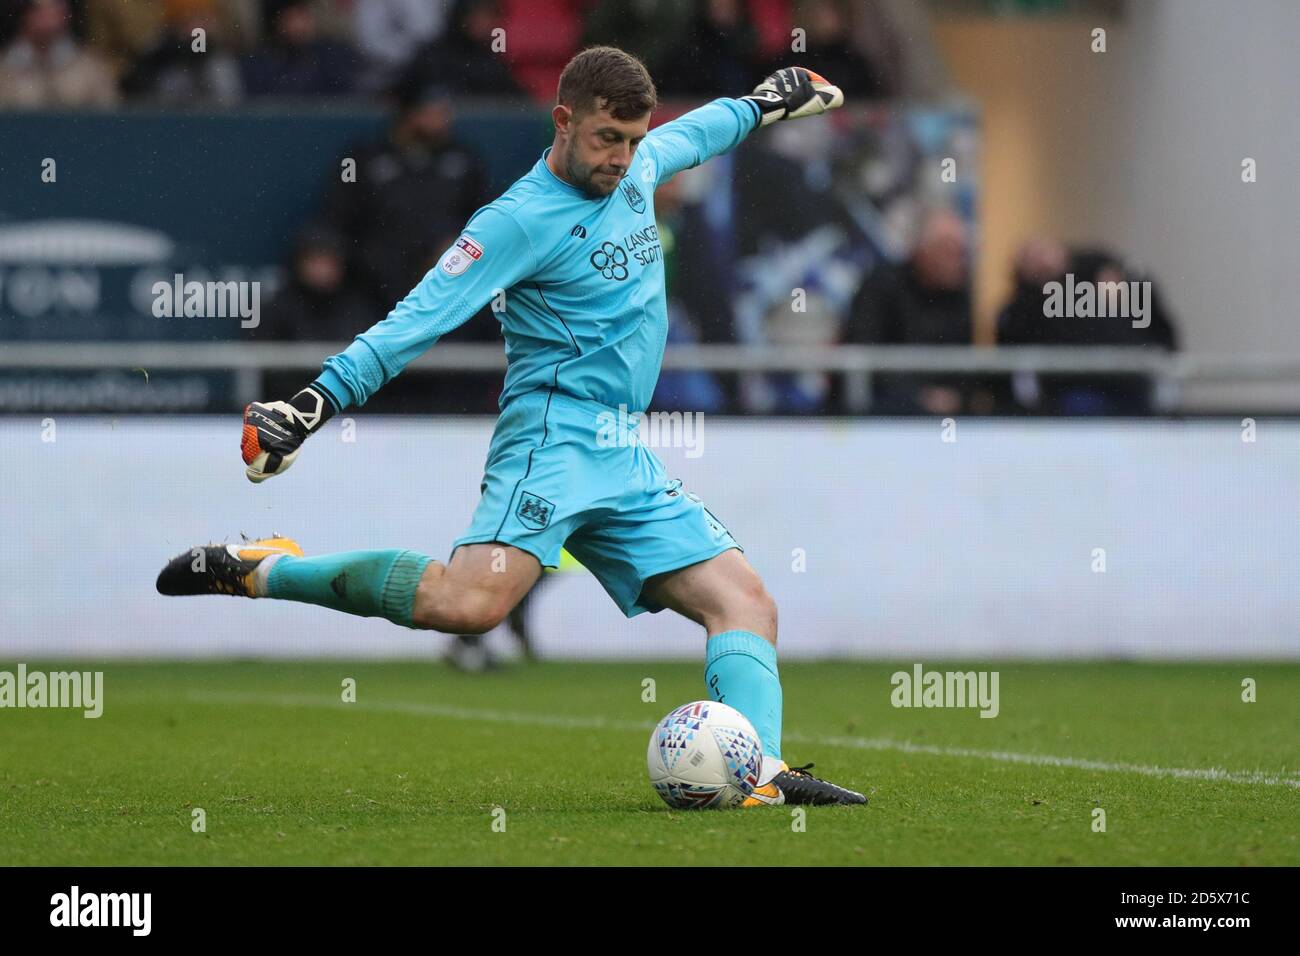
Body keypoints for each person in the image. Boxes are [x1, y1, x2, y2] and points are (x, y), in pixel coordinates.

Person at [157, 49, 864, 807]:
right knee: (467, 608)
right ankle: (266, 568)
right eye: (605, 139)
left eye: (633, 139)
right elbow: (416, 320)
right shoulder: (514, 222)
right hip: (550, 444)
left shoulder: (639, 165)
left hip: (621, 450)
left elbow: (701, 132)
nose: (622, 157)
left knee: (745, 602)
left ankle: (757, 774)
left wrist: (763, 100)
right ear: (563, 122)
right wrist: (312, 403)